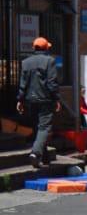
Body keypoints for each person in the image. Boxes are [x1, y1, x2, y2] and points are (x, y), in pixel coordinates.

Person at [16, 37, 61, 168]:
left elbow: (23, 84)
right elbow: (52, 83)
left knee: (38, 128)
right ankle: (35, 153)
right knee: (44, 128)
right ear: (46, 48)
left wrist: (20, 99)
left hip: (30, 100)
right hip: (45, 100)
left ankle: (44, 157)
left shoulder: (25, 62)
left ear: (33, 48)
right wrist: (56, 99)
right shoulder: (49, 61)